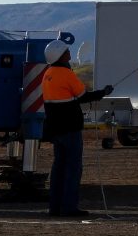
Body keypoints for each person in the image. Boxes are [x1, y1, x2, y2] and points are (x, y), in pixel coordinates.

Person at [38, 42, 112, 219]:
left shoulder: (47, 74)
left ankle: (55, 207)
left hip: (56, 129)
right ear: (60, 55)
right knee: (73, 169)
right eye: (66, 51)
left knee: (59, 168)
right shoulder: (65, 74)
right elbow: (83, 96)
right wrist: (103, 92)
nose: (70, 53)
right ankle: (69, 207)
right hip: (70, 129)